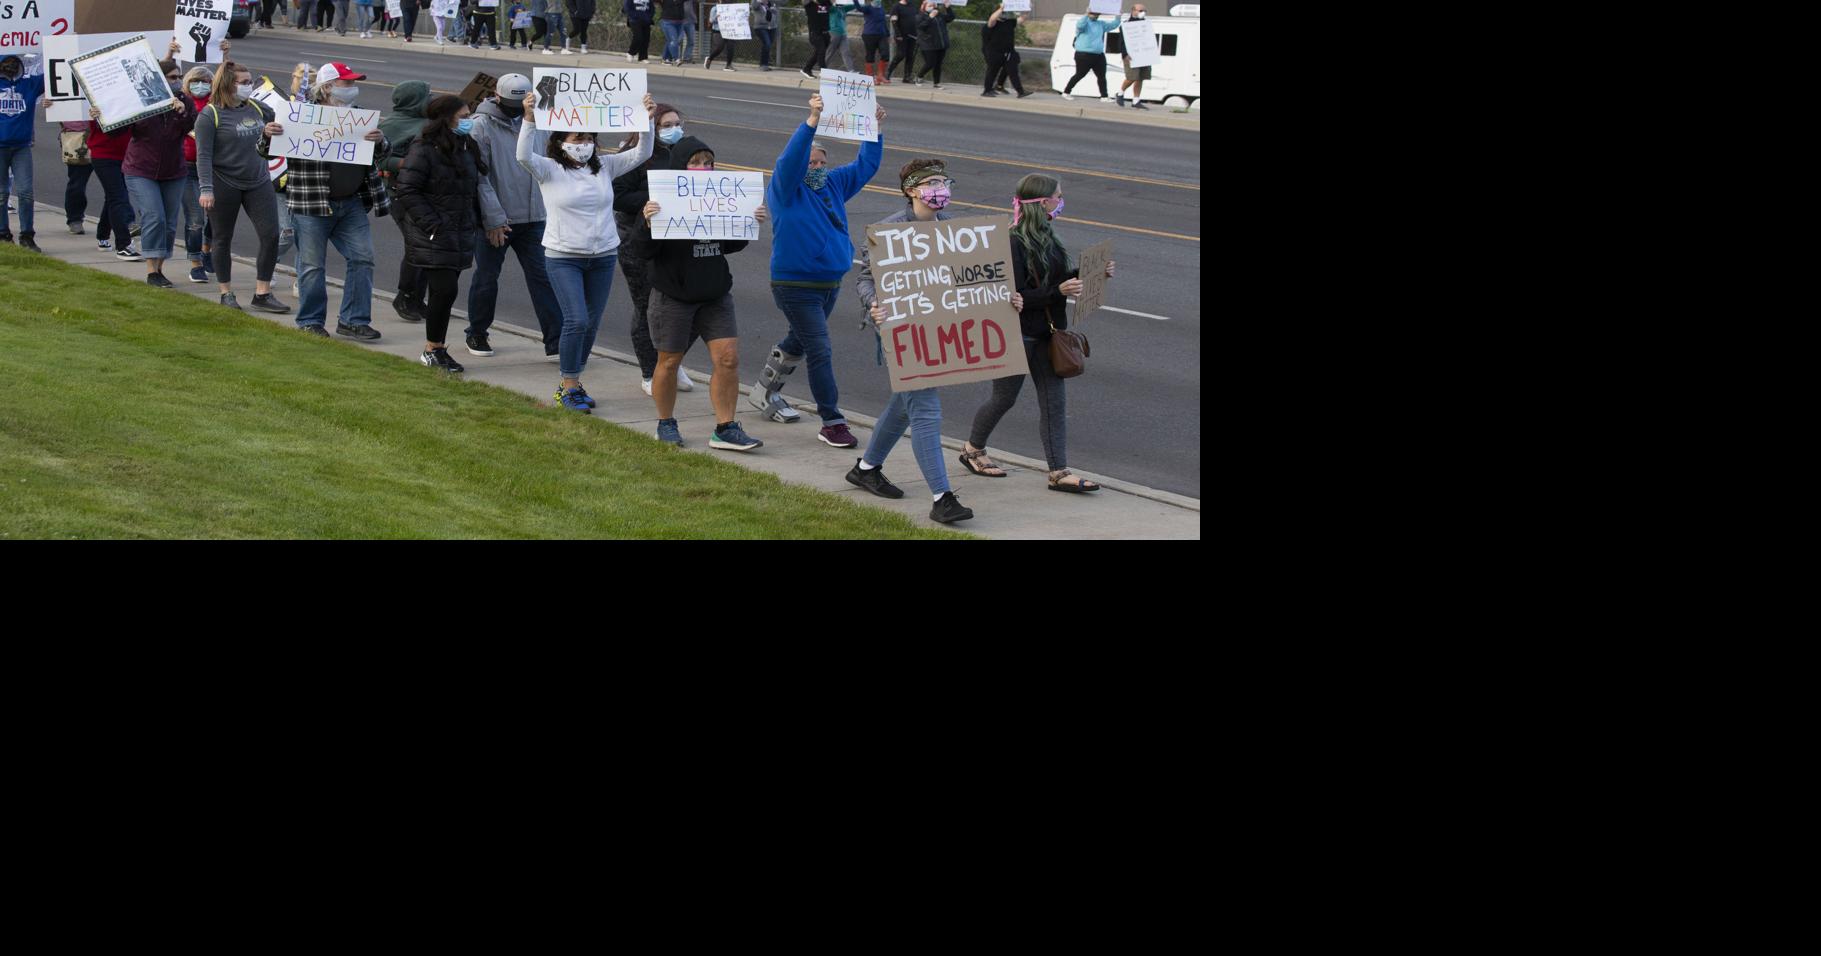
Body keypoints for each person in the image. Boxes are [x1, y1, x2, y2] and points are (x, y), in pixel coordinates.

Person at [961, 173, 1115, 492]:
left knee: (1054, 403)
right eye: (1058, 196)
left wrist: (1091, 273)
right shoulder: (1013, 241)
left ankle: (1059, 472)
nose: (1061, 202)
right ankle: (972, 449)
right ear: (1043, 202)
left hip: (1048, 334)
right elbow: (1014, 296)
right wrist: (1058, 290)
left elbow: (1053, 281)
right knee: (1004, 398)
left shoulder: (1048, 236)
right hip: (1017, 335)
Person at [749, 93, 884, 448]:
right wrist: (812, 121)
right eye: (810, 162)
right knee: (819, 348)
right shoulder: (785, 189)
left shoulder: (834, 184)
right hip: (794, 285)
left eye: (821, 162)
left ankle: (764, 391)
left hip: (829, 283)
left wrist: (874, 129)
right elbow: (790, 160)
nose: (815, 167)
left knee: (800, 339)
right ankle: (832, 420)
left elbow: (866, 166)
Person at [849, 158, 978, 523]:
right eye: (933, 182)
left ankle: (866, 468)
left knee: (904, 404)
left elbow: (973, 282)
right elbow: (865, 280)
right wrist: (874, 304)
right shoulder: (887, 231)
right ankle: (943, 497)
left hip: (937, 331)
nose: (941, 189)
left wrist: (1006, 299)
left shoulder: (954, 231)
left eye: (945, 181)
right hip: (901, 332)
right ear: (912, 190)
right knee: (925, 408)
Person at [515, 88, 656, 412]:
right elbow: (523, 156)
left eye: (589, 138)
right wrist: (529, 120)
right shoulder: (549, 169)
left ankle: (574, 379)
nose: (584, 145)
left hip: (603, 255)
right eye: (577, 139)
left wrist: (646, 121)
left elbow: (639, 155)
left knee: (591, 323)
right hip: (564, 256)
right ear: (561, 141)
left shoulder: (604, 167)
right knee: (576, 319)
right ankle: (569, 385)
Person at [637, 137, 766, 450]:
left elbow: (731, 245)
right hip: (673, 295)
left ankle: (726, 427)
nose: (703, 168)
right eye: (695, 162)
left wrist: (747, 219)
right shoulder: (664, 202)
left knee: (728, 359)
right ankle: (665, 422)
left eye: (708, 162)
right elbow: (641, 250)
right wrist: (646, 222)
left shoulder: (716, 198)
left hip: (715, 294)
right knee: (668, 363)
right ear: (681, 166)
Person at [285, 63, 391, 339]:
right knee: (311, 266)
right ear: (328, 86)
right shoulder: (301, 116)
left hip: (351, 202)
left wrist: (379, 141)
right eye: (347, 83)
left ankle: (353, 320)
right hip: (311, 205)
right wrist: (268, 135)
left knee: (363, 258)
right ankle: (310, 321)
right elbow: (266, 152)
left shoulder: (358, 117)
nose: (353, 88)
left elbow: (382, 153)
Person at [466, 73, 565, 359]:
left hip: (535, 217)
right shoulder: (481, 126)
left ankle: (556, 341)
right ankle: (477, 332)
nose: (517, 108)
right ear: (497, 97)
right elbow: (480, 178)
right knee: (487, 277)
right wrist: (493, 219)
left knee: (543, 278)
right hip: (498, 220)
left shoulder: (539, 121)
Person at [394, 94, 486, 372]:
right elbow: (407, 189)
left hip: (458, 231)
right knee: (443, 290)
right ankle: (433, 348)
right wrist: (432, 224)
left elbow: (474, 187)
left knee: (445, 293)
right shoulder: (423, 148)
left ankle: (438, 347)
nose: (470, 121)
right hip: (435, 233)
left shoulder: (467, 145)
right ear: (447, 118)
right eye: (465, 116)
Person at [609, 104, 692, 393]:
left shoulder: (684, 153)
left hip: (675, 242)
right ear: (651, 128)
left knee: (680, 307)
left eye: (677, 123)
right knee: (646, 307)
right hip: (637, 242)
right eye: (666, 125)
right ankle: (649, 371)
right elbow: (618, 197)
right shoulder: (633, 157)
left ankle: (671, 363)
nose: (673, 129)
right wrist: (657, 196)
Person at [196, 60, 290, 313]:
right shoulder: (210, 115)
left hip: (258, 180)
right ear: (228, 85)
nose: (250, 86)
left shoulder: (259, 109)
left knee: (271, 234)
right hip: (223, 181)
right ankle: (226, 292)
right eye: (245, 82)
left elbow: (281, 134)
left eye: (251, 81)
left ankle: (262, 292)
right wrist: (206, 189)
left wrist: (272, 133)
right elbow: (203, 155)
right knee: (222, 238)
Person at [118, 42, 199, 288]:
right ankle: (151, 270)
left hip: (173, 169)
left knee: (169, 221)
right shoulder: (142, 99)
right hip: (141, 168)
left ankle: (160, 268)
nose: (178, 81)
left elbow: (190, 126)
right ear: (160, 79)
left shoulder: (184, 100)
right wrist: (101, 115)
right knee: (154, 215)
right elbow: (119, 129)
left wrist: (182, 111)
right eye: (173, 77)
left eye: (179, 77)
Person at [379, 80, 433, 322]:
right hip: (402, 194)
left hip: (431, 193)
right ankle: (404, 295)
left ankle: (418, 299)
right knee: (417, 245)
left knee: (429, 247)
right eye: (426, 96)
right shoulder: (389, 126)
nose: (430, 99)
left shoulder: (431, 123)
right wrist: (404, 164)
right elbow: (377, 159)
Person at [0, 52, 50, 252]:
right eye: (6, 63)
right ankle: (3, 233)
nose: (10, 66)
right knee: (2, 193)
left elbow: (55, 74)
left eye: (14, 63)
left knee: (26, 192)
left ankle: (27, 235)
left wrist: (65, 45)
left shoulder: (29, 84)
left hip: (21, 147)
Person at [178, 64, 219, 283]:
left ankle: (206, 249)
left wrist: (224, 56)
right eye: (196, 81)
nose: (201, 86)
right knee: (195, 219)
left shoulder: (217, 104)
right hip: (187, 166)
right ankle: (195, 263)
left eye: (206, 82)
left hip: (213, 168)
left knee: (215, 217)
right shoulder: (181, 102)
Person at [88, 116, 141, 261]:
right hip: (103, 155)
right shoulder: (97, 102)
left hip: (126, 154)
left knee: (113, 197)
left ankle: (103, 236)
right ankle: (123, 245)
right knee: (118, 197)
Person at [1060, 7, 1117, 101]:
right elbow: (1080, 25)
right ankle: (1066, 92)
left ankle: (1104, 96)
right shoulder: (1084, 23)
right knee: (1080, 74)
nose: (1095, 16)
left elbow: (1113, 25)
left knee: (1101, 76)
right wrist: (1086, 14)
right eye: (1093, 13)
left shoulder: (1101, 24)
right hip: (1084, 54)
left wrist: (1118, 16)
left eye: (1097, 14)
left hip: (1098, 54)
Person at [981, 3, 1029, 98]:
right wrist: (1001, 9)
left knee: (1013, 71)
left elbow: (1022, 19)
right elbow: (992, 19)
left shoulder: (1009, 23)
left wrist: (1027, 9)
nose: (1004, 14)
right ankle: (987, 90)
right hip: (994, 52)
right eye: (1003, 12)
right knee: (992, 71)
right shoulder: (991, 24)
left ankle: (1020, 91)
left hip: (1008, 52)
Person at [1113, 4, 1150, 109]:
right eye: (1141, 10)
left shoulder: (1145, 23)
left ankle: (1136, 100)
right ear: (1133, 11)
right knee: (1132, 77)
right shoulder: (1126, 24)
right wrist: (1125, 54)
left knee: (1140, 77)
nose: (1143, 12)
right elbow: (1122, 42)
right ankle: (1120, 93)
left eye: (1144, 10)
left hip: (1143, 54)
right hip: (1131, 55)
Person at [912, 1, 954, 88]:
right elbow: (921, 27)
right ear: (924, 7)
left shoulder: (939, 15)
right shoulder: (920, 16)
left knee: (938, 64)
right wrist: (930, 17)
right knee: (930, 63)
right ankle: (919, 76)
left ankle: (936, 83)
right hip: (928, 44)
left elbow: (951, 17)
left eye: (933, 5)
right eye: (930, 5)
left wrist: (948, 7)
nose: (932, 7)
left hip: (940, 43)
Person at [887, 0, 917, 85]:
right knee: (901, 54)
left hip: (913, 35)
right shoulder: (896, 7)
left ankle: (907, 77)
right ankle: (888, 73)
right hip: (901, 36)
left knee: (910, 56)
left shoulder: (912, 5)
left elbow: (916, 18)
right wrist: (898, 34)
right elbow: (894, 21)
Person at [800, 0, 831, 79]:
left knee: (818, 53)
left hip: (825, 33)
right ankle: (824, 71)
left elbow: (831, 3)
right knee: (821, 50)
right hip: (815, 33)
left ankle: (807, 69)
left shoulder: (826, 3)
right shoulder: (809, 5)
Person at [860, 0, 888, 84]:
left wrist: (888, 34)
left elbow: (884, 22)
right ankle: (870, 77)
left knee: (885, 54)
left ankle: (880, 75)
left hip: (881, 35)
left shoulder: (881, 8)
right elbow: (859, 8)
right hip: (869, 34)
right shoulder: (868, 8)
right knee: (870, 56)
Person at [703, 5, 739, 69]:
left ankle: (728, 65)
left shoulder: (732, 8)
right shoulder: (714, 8)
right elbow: (711, 20)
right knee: (720, 47)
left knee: (731, 47)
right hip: (718, 31)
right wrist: (717, 17)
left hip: (729, 30)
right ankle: (710, 58)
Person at [751, 0, 779, 71]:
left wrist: (772, 9)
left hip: (772, 27)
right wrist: (760, 1)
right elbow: (754, 7)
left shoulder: (771, 3)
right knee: (767, 44)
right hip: (760, 27)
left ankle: (764, 63)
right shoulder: (756, 2)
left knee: (768, 45)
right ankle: (764, 64)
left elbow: (781, 5)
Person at [828, 1, 855, 73]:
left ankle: (851, 70)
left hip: (843, 34)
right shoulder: (832, 8)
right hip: (833, 32)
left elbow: (855, 5)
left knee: (846, 52)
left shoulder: (843, 8)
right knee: (830, 52)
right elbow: (823, 6)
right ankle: (823, 67)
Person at [657, 0, 686, 65]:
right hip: (667, 22)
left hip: (680, 23)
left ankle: (664, 59)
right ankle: (676, 59)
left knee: (670, 41)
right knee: (673, 40)